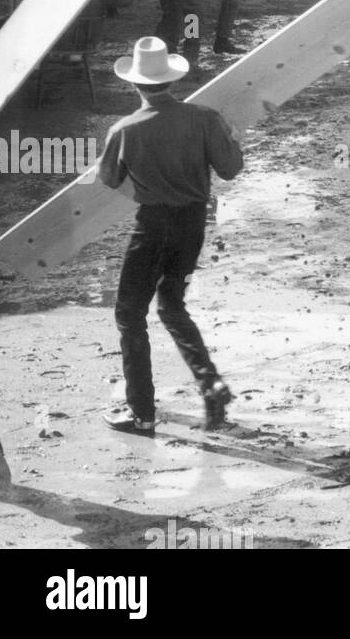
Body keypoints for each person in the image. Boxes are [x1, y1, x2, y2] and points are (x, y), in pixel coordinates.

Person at [97, 37, 242, 434]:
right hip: (192, 224)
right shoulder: (205, 117)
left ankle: (141, 413)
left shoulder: (125, 130)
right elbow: (230, 169)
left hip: (153, 227)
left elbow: (108, 180)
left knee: (129, 315)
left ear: (135, 84)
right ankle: (209, 382)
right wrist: (230, 139)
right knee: (172, 306)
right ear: (170, 79)